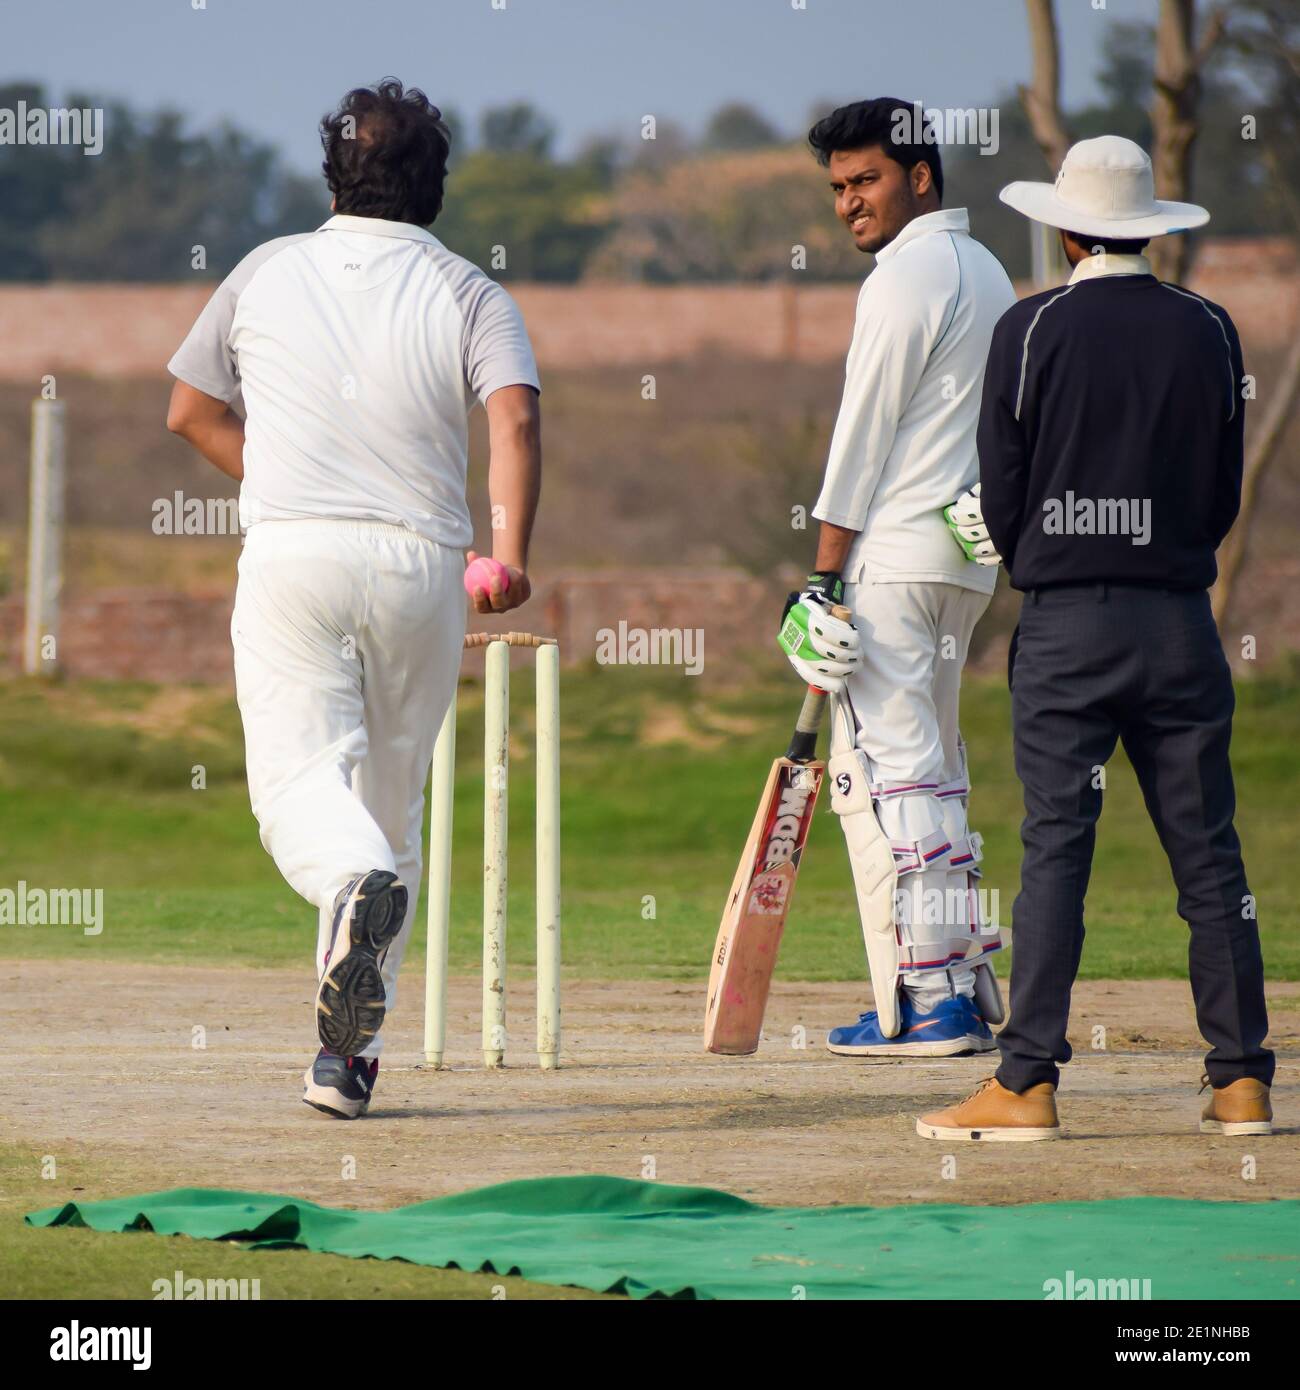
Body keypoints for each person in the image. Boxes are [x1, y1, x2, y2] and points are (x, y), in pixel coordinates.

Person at [165, 79, 541, 1119]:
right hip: (424, 565)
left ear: (332, 172)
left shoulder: (263, 270)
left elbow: (188, 411)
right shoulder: (469, 289)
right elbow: (512, 423)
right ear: (433, 185)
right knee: (387, 807)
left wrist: (279, 471)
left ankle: (349, 915)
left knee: (300, 793)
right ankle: (343, 1061)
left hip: (293, 555)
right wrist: (508, 551)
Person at [920, 135, 1273, 1141]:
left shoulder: (1031, 330)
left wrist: (1050, 551)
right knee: (1208, 855)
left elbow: (1003, 490)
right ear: (1149, 231)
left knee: (1056, 851)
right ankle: (1241, 1078)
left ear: (1063, 228)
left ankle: (1026, 1081)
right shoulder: (1209, 327)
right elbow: (1217, 495)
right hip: (1178, 622)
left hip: (1067, 625)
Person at [778, 98, 1015, 1058]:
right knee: (939, 770)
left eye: (864, 180)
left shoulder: (902, 277)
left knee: (897, 775)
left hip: (891, 565)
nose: (847, 203)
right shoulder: (992, 270)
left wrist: (820, 580)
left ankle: (934, 1003)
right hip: (965, 562)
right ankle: (954, 979)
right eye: (836, 187)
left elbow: (858, 440)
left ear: (920, 175)